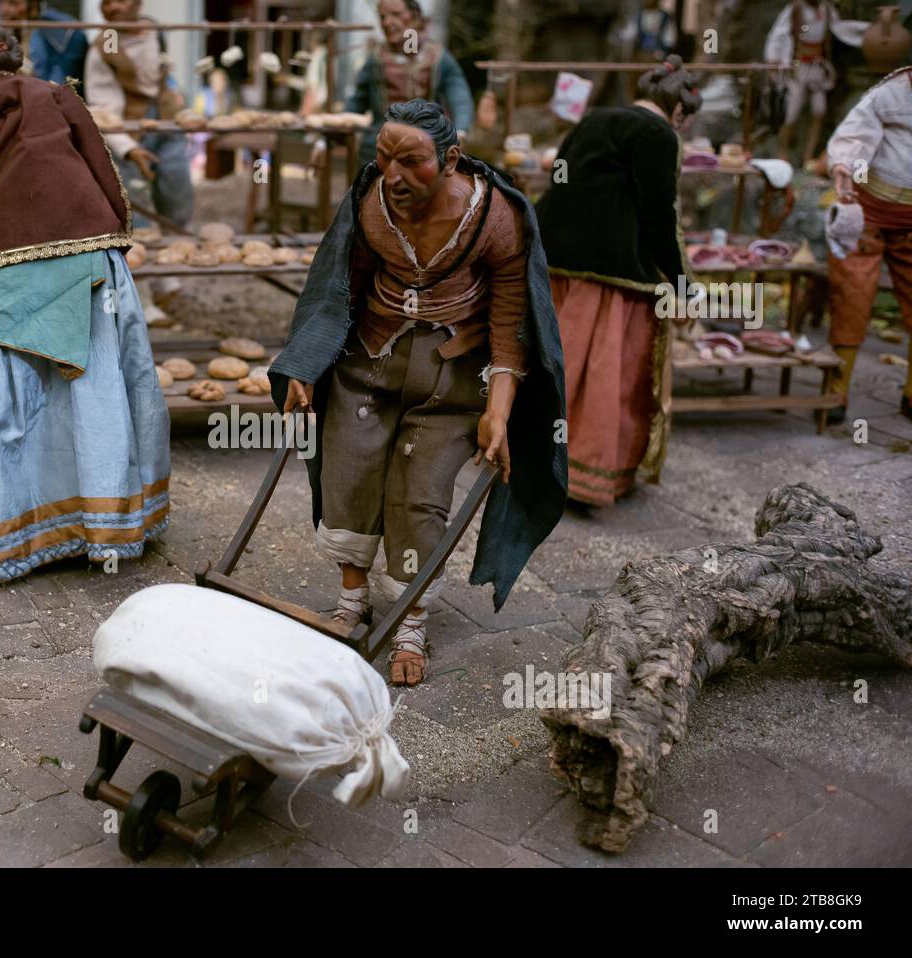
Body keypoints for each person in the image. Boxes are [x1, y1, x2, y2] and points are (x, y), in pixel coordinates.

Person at [269, 99, 566, 687]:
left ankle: (409, 620)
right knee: (349, 476)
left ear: (451, 158)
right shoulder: (369, 202)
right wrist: (304, 364)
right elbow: (337, 289)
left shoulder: (494, 216)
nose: (394, 176)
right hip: (368, 364)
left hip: (452, 378)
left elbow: (512, 326)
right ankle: (351, 604)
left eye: (411, 162)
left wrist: (499, 414)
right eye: (383, 159)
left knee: (420, 495)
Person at [0, 22, 170, 581]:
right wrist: (115, 237)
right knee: (97, 389)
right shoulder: (61, 93)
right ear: (19, 56)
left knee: (10, 398)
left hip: (3, 261)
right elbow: (105, 171)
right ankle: (105, 522)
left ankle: (21, 529)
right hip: (89, 260)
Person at [535, 55, 702, 507]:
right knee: (601, 377)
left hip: (557, 259)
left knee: (557, 363)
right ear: (680, 113)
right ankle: (580, 475)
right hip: (613, 272)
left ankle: (531, 460)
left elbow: (559, 176)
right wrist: (684, 284)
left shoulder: (596, 117)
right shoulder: (658, 135)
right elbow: (658, 216)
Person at [825, 66, 912, 423]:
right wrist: (845, 166)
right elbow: (856, 134)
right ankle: (837, 392)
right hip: (869, 213)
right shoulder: (890, 93)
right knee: (852, 295)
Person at [85, 0, 192, 228]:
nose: (113, 8)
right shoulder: (102, 49)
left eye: (121, 0)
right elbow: (102, 110)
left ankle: (178, 239)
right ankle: (139, 249)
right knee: (133, 198)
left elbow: (161, 72)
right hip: (128, 131)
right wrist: (128, 149)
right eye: (106, 2)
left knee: (176, 186)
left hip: (166, 123)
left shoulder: (156, 33)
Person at [344, 0, 474, 167]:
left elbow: (460, 98)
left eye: (396, 15)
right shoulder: (376, 61)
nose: (387, 22)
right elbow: (355, 105)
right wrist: (324, 141)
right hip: (378, 152)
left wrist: (461, 132)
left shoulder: (438, 58)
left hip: (427, 151)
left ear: (415, 19)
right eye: (382, 17)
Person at [764, 0, 864, 164]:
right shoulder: (795, 8)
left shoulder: (825, 9)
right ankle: (782, 153)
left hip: (817, 66)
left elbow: (840, 27)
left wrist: (864, 32)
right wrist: (774, 58)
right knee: (791, 112)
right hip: (798, 66)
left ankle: (808, 156)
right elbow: (778, 33)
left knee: (819, 110)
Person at [0, 0, 89, 91]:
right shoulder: (12, 30)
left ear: (33, 4)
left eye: (13, 3)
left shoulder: (63, 29)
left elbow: (59, 84)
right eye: (1, 2)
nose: (3, 10)